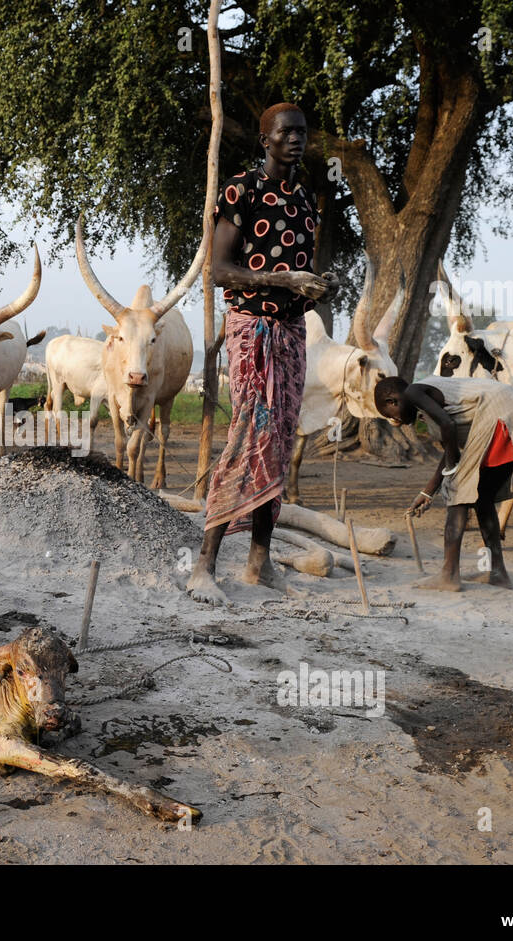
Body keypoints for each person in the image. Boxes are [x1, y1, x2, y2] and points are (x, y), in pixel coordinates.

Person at [186, 103, 340, 604]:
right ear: (265, 141)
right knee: (249, 434)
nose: (296, 140)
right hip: (252, 330)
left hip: (293, 330)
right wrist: (280, 279)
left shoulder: (305, 200)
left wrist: (317, 286)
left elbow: (301, 272)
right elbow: (219, 270)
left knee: (278, 441)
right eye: (285, 133)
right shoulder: (241, 191)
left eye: (301, 132)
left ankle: (260, 562)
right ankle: (203, 567)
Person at [374, 374, 513, 591]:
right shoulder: (429, 402)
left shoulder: (414, 392)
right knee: (482, 498)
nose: (396, 423)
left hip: (498, 412)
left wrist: (455, 468)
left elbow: (448, 426)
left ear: (392, 401)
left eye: (391, 417)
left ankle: (449, 575)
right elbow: (450, 449)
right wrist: (428, 492)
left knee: (458, 491)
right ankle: (498, 573)